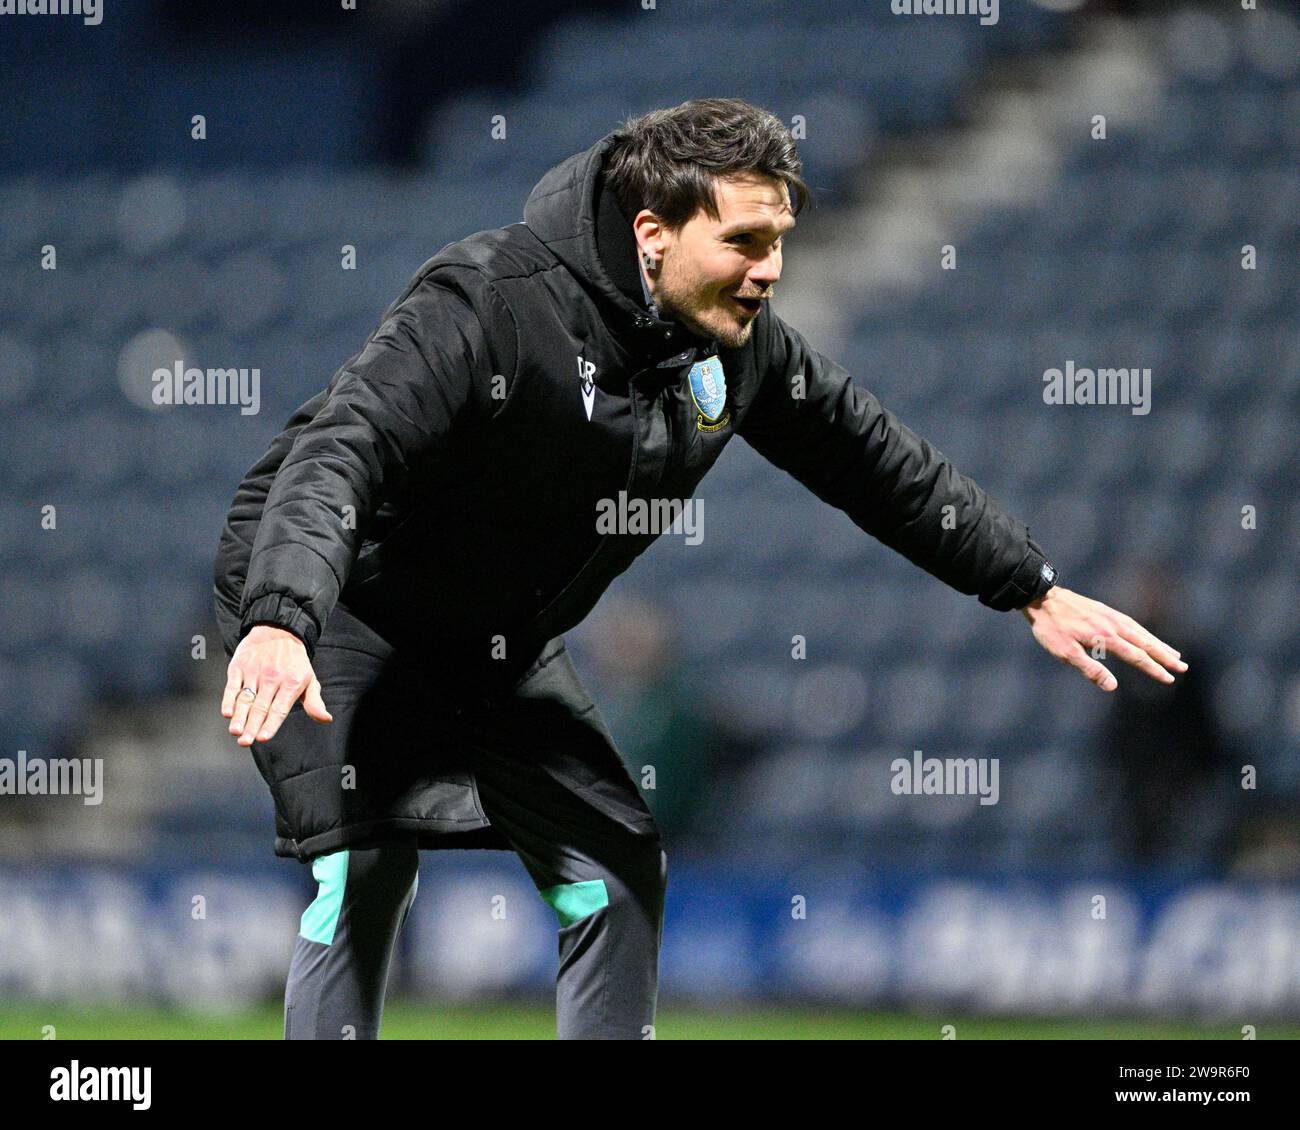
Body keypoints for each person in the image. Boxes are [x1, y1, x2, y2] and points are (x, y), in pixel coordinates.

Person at [211, 97, 1187, 1040]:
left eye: (780, 241)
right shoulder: (489, 301)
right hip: (344, 601)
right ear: (652, 232)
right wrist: (282, 613)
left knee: (617, 860)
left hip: (492, 634)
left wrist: (1026, 582)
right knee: (365, 860)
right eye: (744, 242)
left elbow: (870, 456)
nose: (769, 271)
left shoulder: (736, 352)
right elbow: (344, 443)